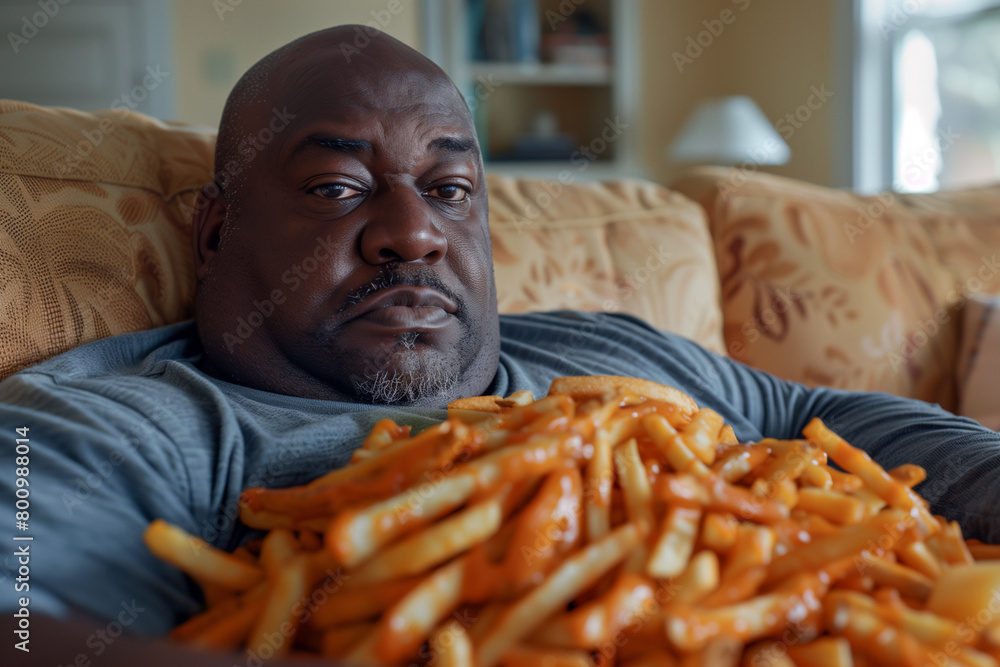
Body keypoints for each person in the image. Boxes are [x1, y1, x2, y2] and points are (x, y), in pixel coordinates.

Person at [2, 25, 999, 664]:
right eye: (338, 188)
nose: (415, 230)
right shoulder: (113, 424)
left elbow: (812, 417)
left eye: (448, 189)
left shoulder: (609, 347)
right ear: (214, 232)